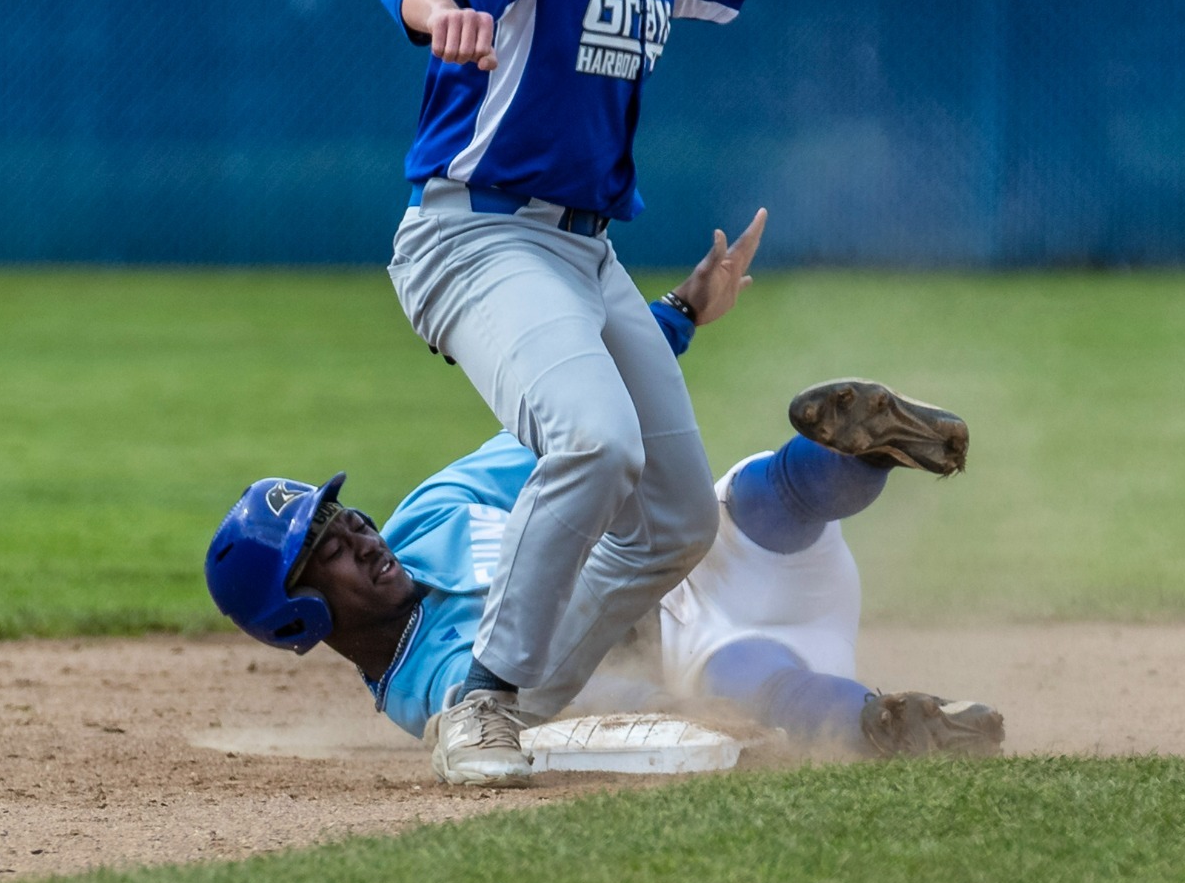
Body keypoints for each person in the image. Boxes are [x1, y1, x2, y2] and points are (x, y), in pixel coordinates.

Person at [374, 0, 946, 781]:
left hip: (584, 254)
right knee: (592, 440)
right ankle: (483, 703)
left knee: (678, 516)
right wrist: (434, 13)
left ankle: (511, 698)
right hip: (475, 237)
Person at [205, 226, 1002, 786]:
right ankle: (898, 724)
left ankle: (869, 448)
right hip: (694, 648)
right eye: (326, 548)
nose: (359, 533)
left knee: (766, 493)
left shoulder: (432, 509)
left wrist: (678, 316)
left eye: (342, 515)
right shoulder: (440, 691)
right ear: (298, 619)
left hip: (693, 555)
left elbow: (573, 425)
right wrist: (684, 715)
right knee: (749, 678)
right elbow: (575, 695)